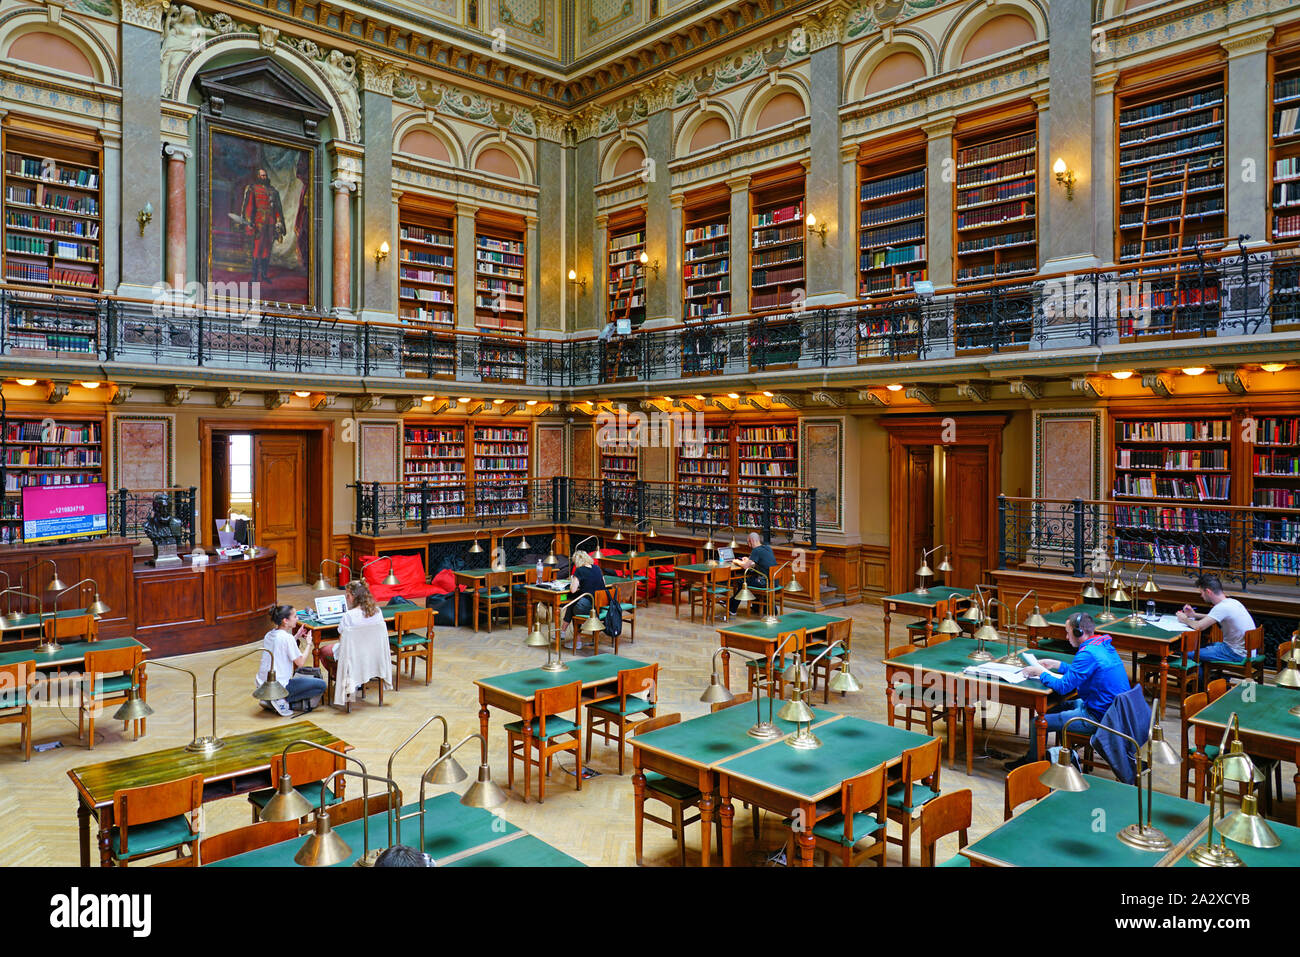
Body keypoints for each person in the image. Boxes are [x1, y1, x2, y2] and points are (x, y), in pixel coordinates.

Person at [1005, 612, 1131, 770]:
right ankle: (1049, 757)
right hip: (1111, 712)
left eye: (1068, 632)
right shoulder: (1102, 645)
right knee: (1050, 709)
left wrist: (1039, 672)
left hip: (1099, 718)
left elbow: (1063, 686)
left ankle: (1032, 766)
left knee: (1037, 723)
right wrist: (1057, 664)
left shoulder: (1087, 654)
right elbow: (1084, 671)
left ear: (1079, 632)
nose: (1066, 637)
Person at [321, 580, 392, 706]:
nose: (346, 598)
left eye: (348, 595)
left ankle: (343, 679)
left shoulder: (349, 616)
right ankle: (352, 681)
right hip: (373, 654)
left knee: (323, 651)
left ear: (354, 596)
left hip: (353, 656)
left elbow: (342, 640)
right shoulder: (377, 611)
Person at [1176, 573, 1256, 677]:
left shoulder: (1221, 608)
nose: (1201, 596)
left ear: (1208, 591)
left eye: (1201, 593)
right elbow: (1213, 617)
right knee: (1201, 648)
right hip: (1247, 652)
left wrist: (1185, 619)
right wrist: (1194, 615)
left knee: (1188, 654)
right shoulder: (1232, 602)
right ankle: (1214, 680)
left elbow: (1199, 626)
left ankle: (1200, 687)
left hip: (1236, 654)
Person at [257, 605, 325, 717]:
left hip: (263, 685)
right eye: (295, 616)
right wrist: (308, 643)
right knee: (321, 685)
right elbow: (300, 663)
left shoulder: (269, 635)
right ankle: (282, 700)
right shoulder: (287, 638)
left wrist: (297, 636)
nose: (297, 618)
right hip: (280, 685)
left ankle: (270, 699)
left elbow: (282, 647)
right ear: (285, 620)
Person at [240, 167, 285, 285]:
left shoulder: (273, 191)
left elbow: (276, 209)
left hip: (270, 224)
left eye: (265, 175)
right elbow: (249, 207)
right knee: (257, 250)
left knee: (267, 250)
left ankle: (264, 275)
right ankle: (254, 277)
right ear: (258, 176)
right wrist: (249, 222)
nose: (264, 177)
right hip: (258, 224)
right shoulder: (253, 189)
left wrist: (278, 221)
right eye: (262, 175)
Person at [561, 550, 605, 648]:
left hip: (589, 607)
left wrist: (574, 580)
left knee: (573, 607)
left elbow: (573, 590)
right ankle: (565, 633)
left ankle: (575, 640)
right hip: (599, 605)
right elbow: (603, 583)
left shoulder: (579, 571)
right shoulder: (597, 568)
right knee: (573, 603)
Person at [729, 531, 775, 614]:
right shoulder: (767, 548)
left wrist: (736, 561)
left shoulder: (756, 550)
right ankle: (756, 607)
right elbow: (760, 563)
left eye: (748, 542)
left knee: (742, 582)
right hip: (774, 581)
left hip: (765, 582)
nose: (748, 545)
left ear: (751, 541)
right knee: (750, 580)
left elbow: (746, 566)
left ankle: (732, 608)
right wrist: (749, 560)